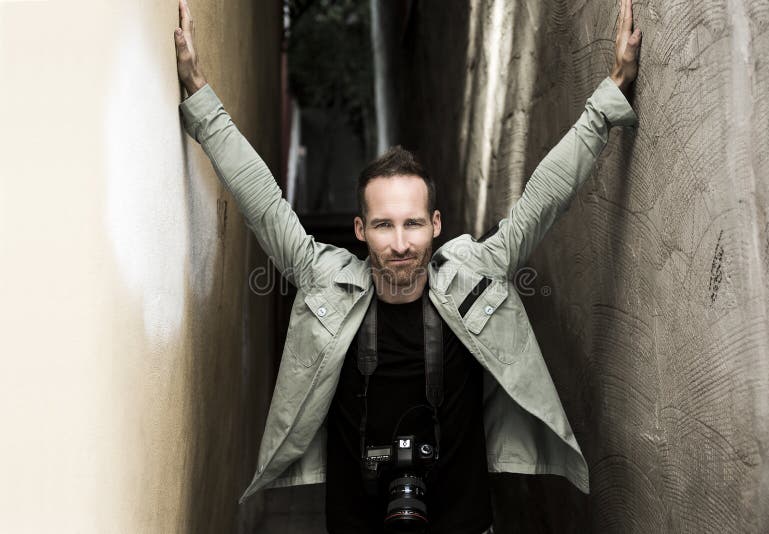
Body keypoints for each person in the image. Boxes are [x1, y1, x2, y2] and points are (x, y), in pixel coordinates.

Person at [174, 0, 641, 532]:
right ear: (359, 230)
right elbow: (261, 202)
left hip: (462, 521)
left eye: (413, 224)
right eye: (383, 225)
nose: (400, 243)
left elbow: (545, 195)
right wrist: (199, 93)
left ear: (437, 224)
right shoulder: (325, 283)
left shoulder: (475, 278)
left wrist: (611, 93)